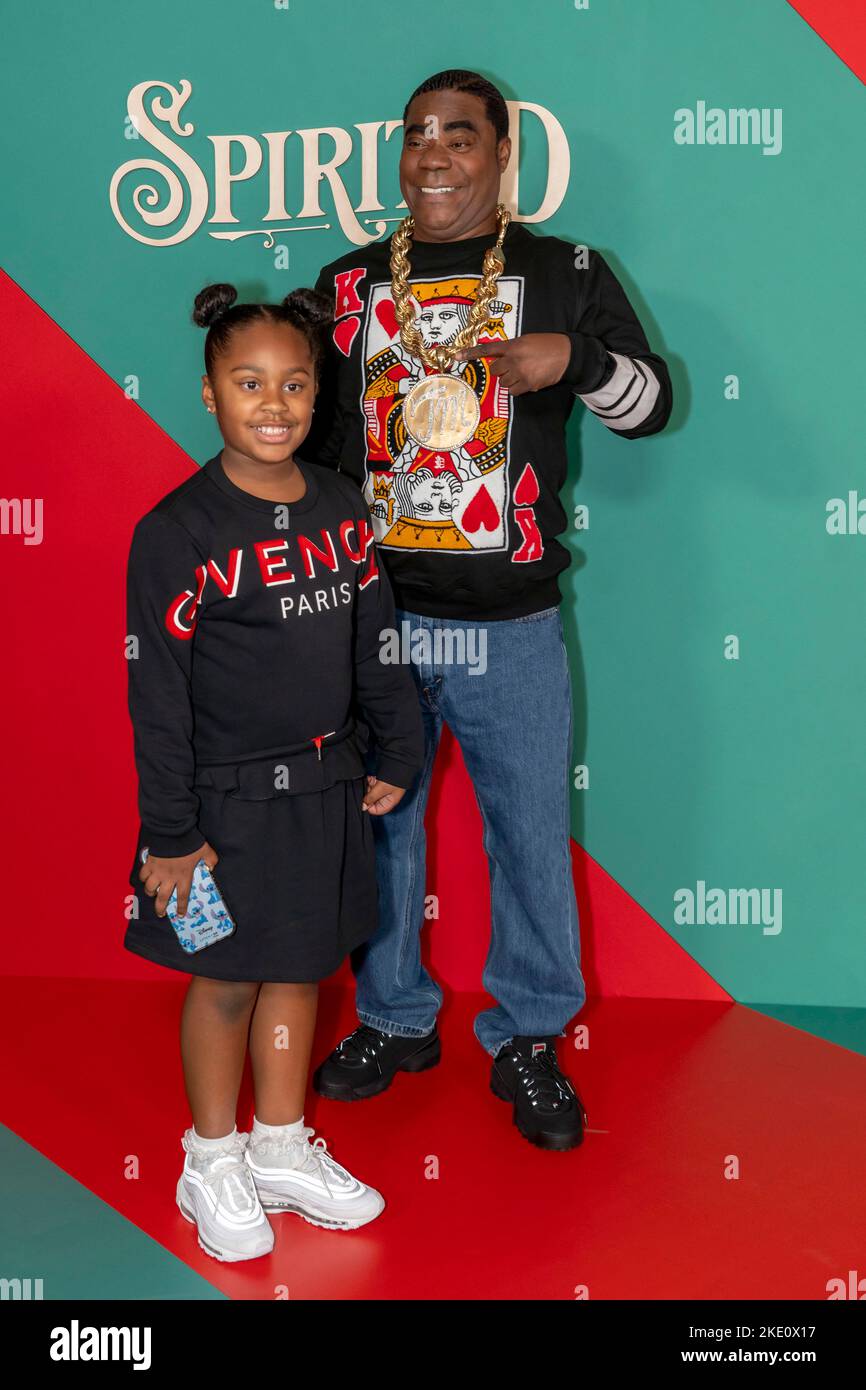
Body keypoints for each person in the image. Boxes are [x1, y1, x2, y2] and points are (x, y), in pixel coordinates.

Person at [303, 69, 673, 1151]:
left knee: (528, 838)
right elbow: (313, 448)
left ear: (501, 153)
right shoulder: (347, 284)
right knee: (379, 831)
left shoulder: (562, 272)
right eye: (417, 136)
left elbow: (650, 407)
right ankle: (392, 1016)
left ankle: (529, 1036)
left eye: (459, 137)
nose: (433, 156)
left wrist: (579, 360)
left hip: (508, 621)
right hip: (375, 620)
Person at [123, 283, 424, 1261]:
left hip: (325, 789)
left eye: (294, 384)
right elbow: (157, 695)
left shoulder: (342, 505)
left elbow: (375, 640)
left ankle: (281, 1144)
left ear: (317, 392)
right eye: (248, 382)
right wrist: (171, 832)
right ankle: (211, 1159)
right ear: (209, 393)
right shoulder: (176, 532)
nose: (273, 403)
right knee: (224, 980)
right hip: (219, 809)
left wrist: (398, 744)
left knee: (301, 967)